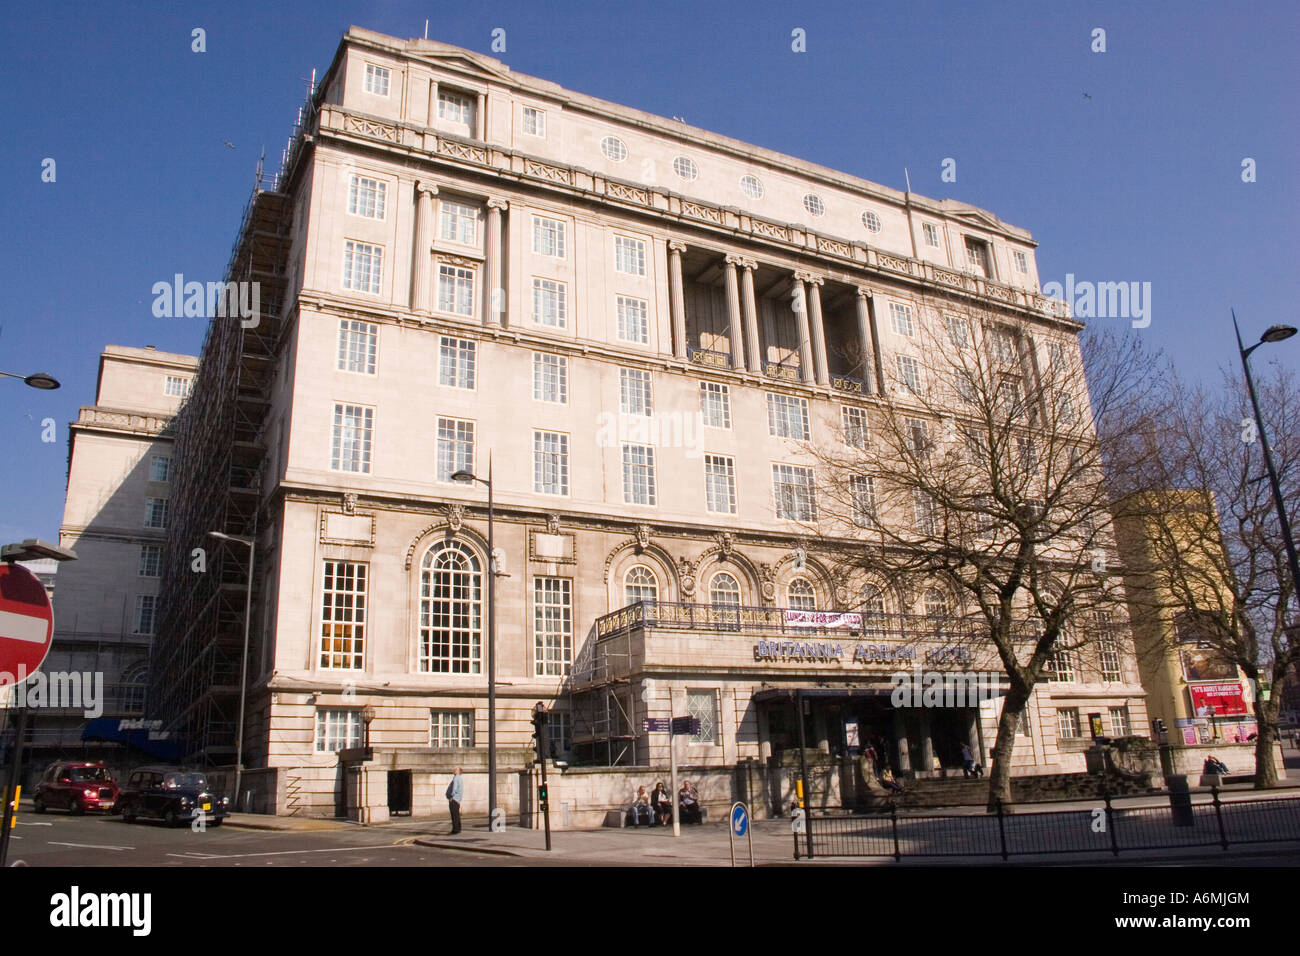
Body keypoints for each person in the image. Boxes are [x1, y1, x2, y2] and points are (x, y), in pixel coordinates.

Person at [446, 767, 464, 834]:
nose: (454, 770)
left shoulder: (456, 778)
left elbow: (454, 789)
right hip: (457, 799)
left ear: (459, 771)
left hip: (454, 799)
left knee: (454, 815)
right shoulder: (460, 779)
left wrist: (451, 796)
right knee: (457, 815)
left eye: (455, 769)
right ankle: (458, 828)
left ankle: (455, 830)